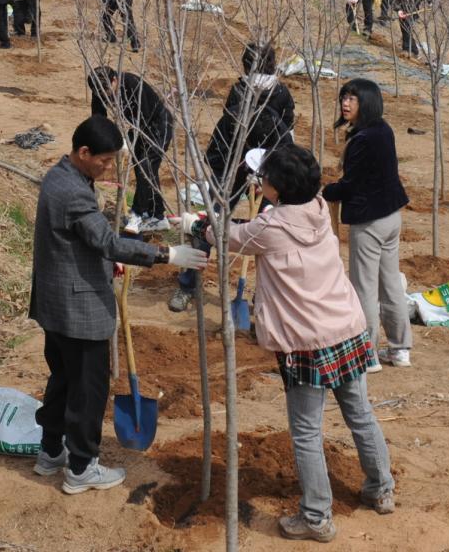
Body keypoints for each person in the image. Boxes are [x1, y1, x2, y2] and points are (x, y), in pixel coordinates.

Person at [208, 144, 395, 541]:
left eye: (266, 180)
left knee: (307, 432)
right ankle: (382, 490)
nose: (262, 184)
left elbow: (229, 237)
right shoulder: (319, 208)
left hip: (307, 343)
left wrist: (203, 226)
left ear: (276, 188)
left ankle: (316, 518)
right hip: (346, 328)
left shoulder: (270, 227)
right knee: (360, 413)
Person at [28, 116, 207, 494]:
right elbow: (105, 242)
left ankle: (50, 452)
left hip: (55, 303)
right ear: (83, 152)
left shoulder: (58, 176)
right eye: (105, 160)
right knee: (87, 391)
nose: (109, 168)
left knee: (61, 380)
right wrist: (167, 253)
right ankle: (81, 468)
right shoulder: (74, 193)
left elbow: (80, 243)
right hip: (78, 310)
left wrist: (110, 263)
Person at [171, 42, 296, 312]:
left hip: (273, 173)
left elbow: (287, 138)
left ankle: (263, 300)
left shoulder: (281, 94)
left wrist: (267, 174)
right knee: (209, 222)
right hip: (234, 167)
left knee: (270, 232)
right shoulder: (240, 92)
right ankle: (188, 284)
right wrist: (240, 167)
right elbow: (227, 135)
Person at [324, 78, 412, 371]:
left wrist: (328, 191)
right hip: (391, 216)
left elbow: (352, 186)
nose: (345, 103)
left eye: (352, 99)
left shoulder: (363, 140)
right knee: (390, 285)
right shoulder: (383, 130)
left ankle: (367, 354)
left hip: (370, 221)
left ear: (367, 102)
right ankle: (400, 350)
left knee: (364, 288)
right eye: (344, 98)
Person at [88, 66, 173, 229]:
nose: (103, 95)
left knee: (145, 166)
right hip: (137, 127)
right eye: (99, 92)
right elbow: (98, 117)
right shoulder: (99, 87)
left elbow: (144, 118)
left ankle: (138, 214)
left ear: (114, 80)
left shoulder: (132, 85)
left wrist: (125, 141)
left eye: (106, 90)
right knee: (144, 168)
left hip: (157, 125)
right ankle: (157, 215)